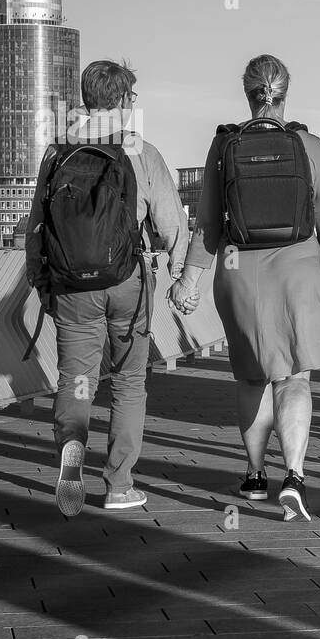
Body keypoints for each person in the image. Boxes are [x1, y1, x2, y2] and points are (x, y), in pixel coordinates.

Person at [172, 54, 320, 521]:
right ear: (285, 93)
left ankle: (254, 475)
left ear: (248, 96)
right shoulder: (309, 144)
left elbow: (207, 223)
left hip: (238, 270)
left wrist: (189, 277)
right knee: (295, 377)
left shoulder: (224, 144)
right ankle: (294, 475)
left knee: (251, 375)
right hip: (298, 267)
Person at [26, 60, 189, 516]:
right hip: (127, 281)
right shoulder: (140, 149)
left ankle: (72, 452)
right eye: (131, 97)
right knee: (129, 382)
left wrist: (40, 279)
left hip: (71, 285)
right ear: (121, 100)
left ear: (86, 97)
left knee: (76, 379)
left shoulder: (58, 150)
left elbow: (37, 224)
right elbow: (170, 223)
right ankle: (118, 485)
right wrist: (181, 273)